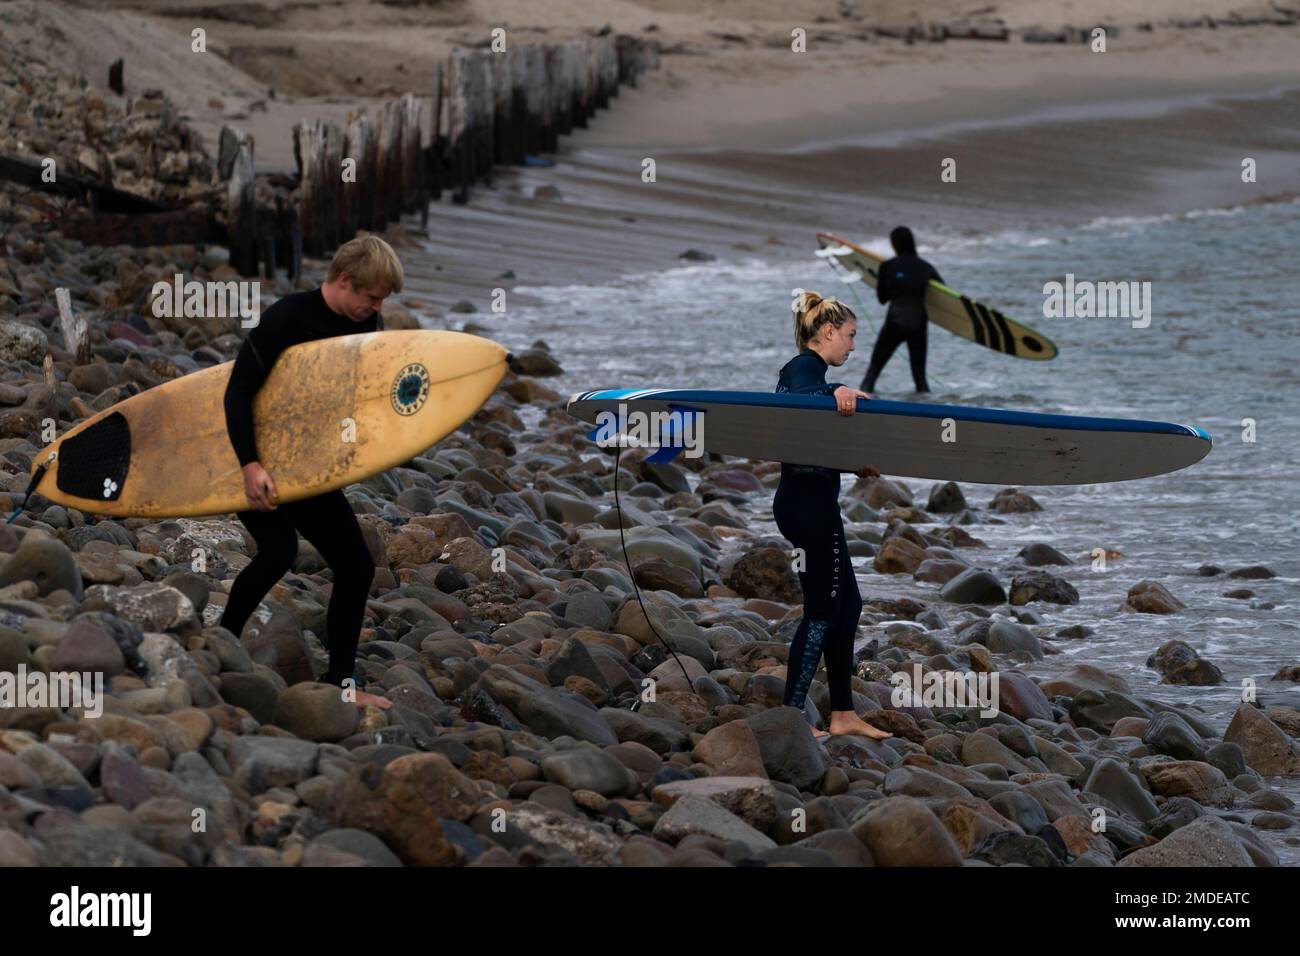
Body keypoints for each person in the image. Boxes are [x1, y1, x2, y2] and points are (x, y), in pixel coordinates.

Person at [220, 235, 400, 711]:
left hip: (306, 467)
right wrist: (250, 465)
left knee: (356, 565)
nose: (378, 307)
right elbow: (237, 392)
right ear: (344, 280)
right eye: (372, 296)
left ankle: (341, 681)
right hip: (251, 458)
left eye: (382, 299)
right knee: (279, 550)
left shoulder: (367, 326)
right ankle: (221, 645)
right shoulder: (287, 318)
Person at [775, 290, 893, 743]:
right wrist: (834, 391)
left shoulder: (803, 370)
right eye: (849, 336)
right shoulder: (805, 370)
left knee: (848, 606)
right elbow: (804, 400)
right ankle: (791, 716)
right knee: (823, 611)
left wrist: (851, 465)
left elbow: (803, 442)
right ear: (826, 332)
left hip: (809, 501)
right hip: (807, 509)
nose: (852, 345)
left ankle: (842, 712)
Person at [860, 226, 942, 394]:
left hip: (895, 322)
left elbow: (882, 299)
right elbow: (943, 296)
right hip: (919, 324)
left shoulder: (887, 266)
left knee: (872, 373)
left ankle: (862, 408)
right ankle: (927, 414)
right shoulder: (927, 267)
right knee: (920, 380)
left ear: (895, 245)